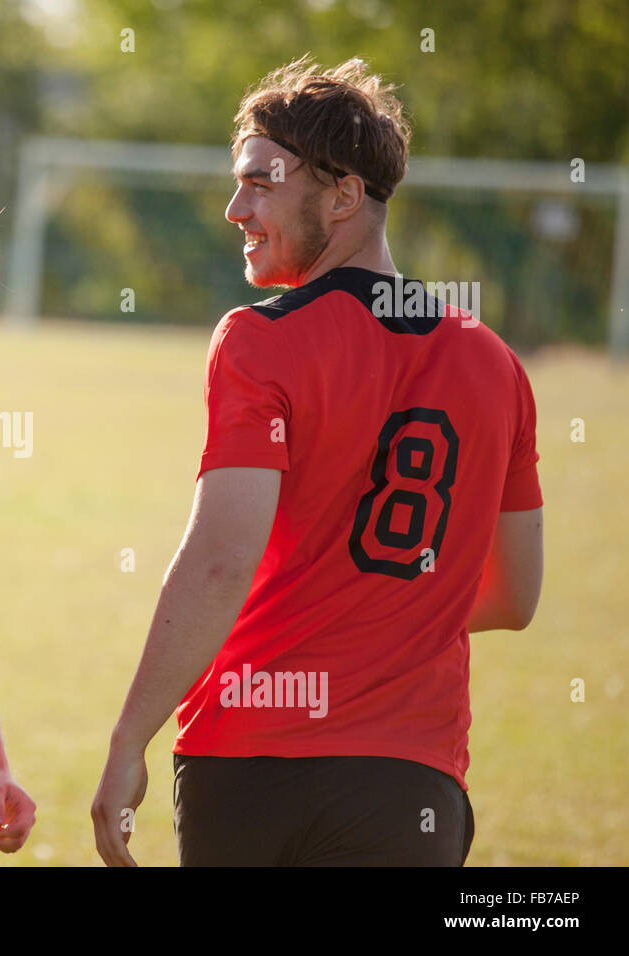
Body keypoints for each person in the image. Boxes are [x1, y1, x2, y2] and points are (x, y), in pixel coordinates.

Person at [91, 57, 544, 867]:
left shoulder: (260, 338)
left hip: (251, 756)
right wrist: (385, 611)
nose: (235, 208)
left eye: (261, 183)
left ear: (343, 197)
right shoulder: (498, 364)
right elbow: (514, 595)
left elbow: (222, 561)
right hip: (412, 779)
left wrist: (130, 738)